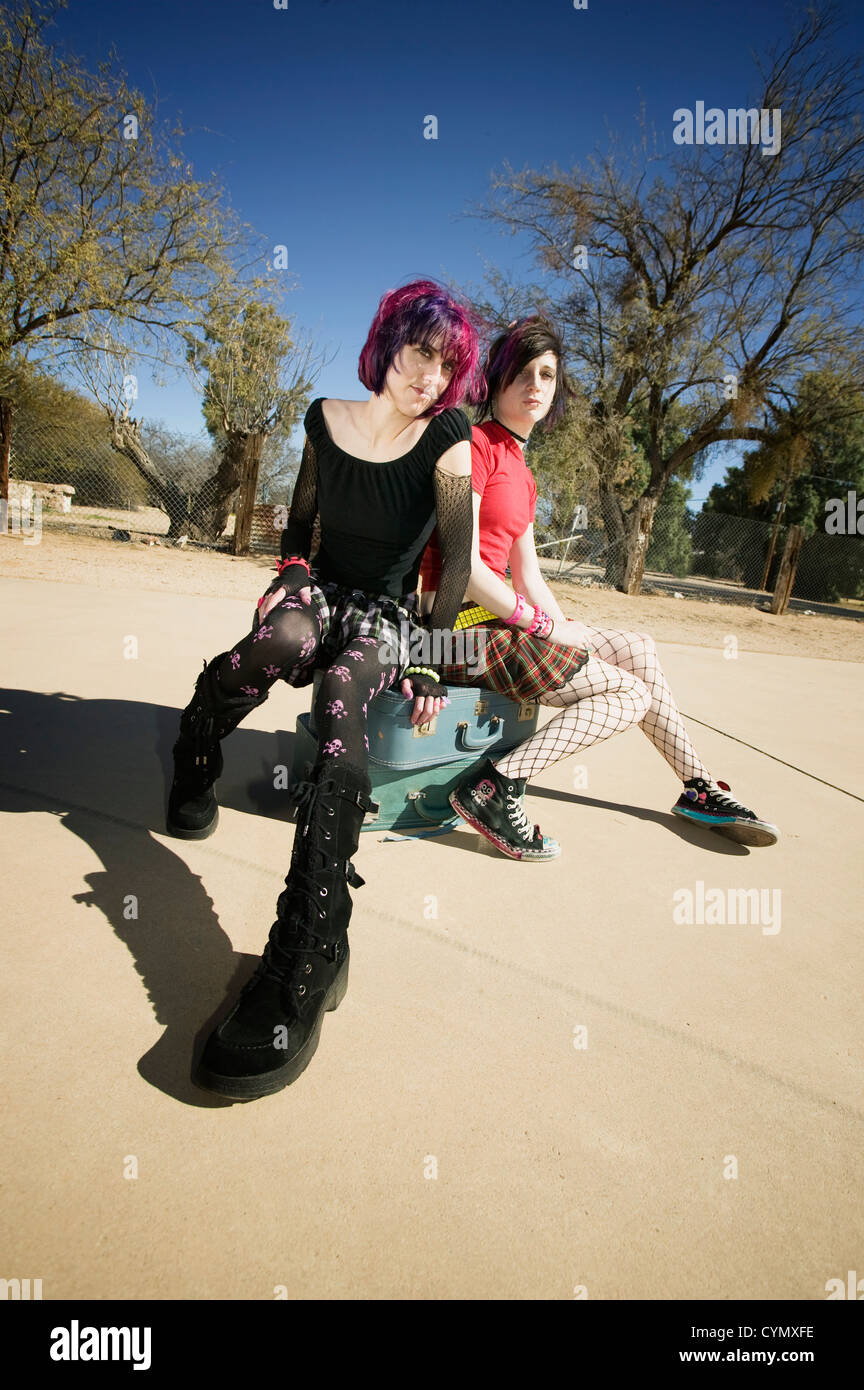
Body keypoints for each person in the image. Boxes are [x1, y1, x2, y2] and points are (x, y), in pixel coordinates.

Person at [166, 279, 480, 1098]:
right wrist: (291, 579)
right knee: (286, 637)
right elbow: (302, 529)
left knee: (341, 685)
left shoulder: (447, 436)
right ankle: (196, 748)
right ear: (388, 346)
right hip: (320, 596)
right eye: (419, 355)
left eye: (446, 366)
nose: (429, 378)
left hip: (386, 616)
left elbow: (451, 563)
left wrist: (431, 659)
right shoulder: (324, 419)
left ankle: (312, 944)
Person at [418, 315, 780, 861]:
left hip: (496, 621)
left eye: (546, 374)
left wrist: (565, 626)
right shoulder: (475, 445)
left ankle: (699, 788)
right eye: (522, 372)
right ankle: (494, 787)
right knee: (628, 694)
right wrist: (539, 625)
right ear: (495, 378)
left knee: (638, 649)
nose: (535, 385)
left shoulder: (522, 468)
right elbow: (464, 568)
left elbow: (529, 574)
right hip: (450, 630)